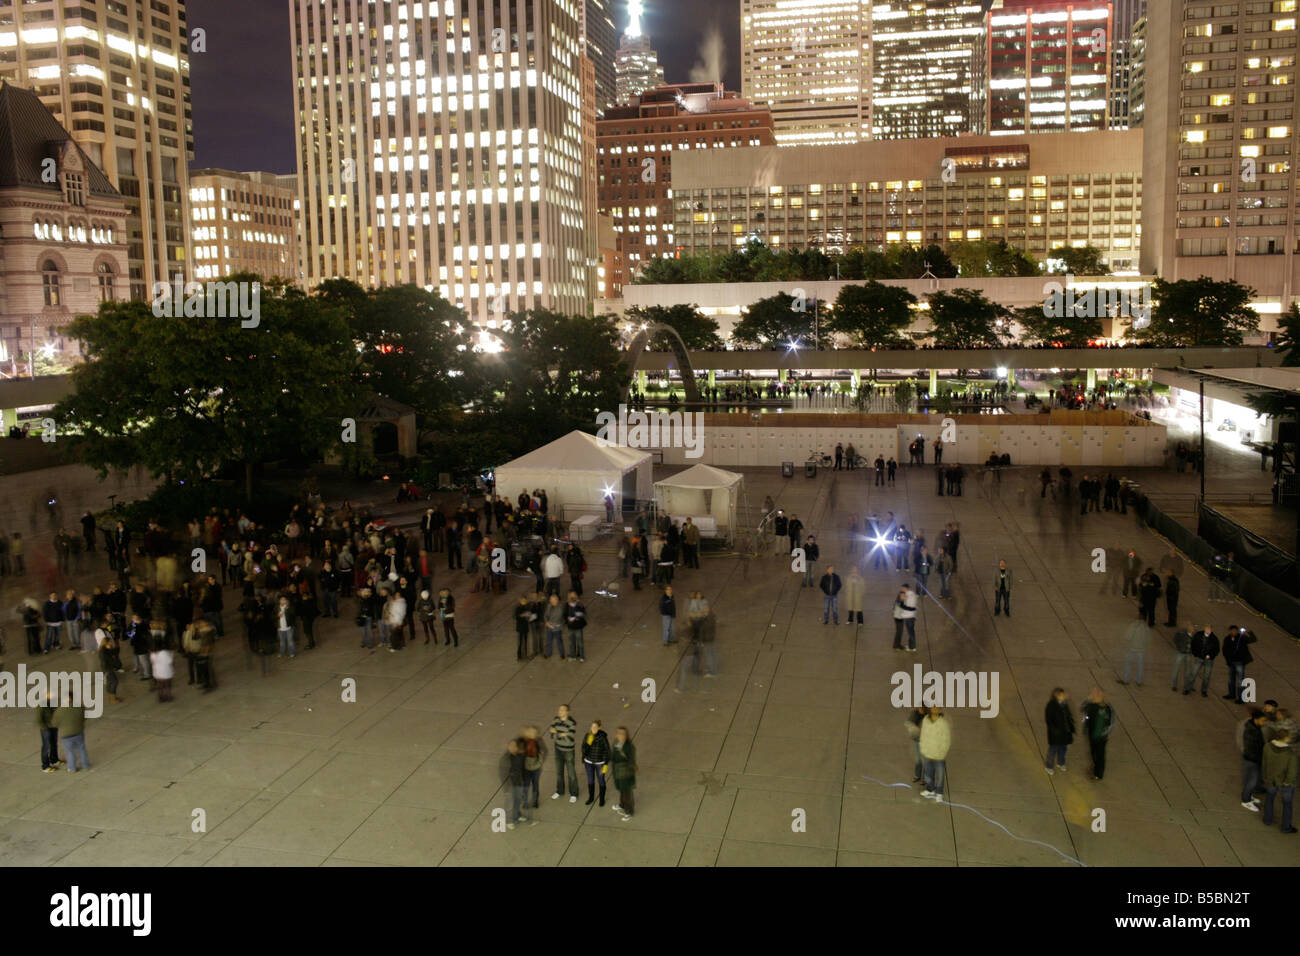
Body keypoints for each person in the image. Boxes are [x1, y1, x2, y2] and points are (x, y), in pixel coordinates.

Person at [1260, 729, 1297, 833]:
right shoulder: (1290, 754)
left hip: (1271, 779)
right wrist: (1288, 781)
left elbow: (1264, 763)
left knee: (1269, 799)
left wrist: (1265, 776)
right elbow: (1292, 771)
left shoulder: (1267, 747)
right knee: (1287, 804)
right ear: (1285, 738)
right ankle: (1286, 827)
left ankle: (1267, 819)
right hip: (1285, 783)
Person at [1081, 688, 1115, 780]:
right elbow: (1083, 709)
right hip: (1092, 735)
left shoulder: (1108, 709)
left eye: (1098, 695)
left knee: (1100, 755)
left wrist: (1104, 734)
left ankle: (1098, 774)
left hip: (1101, 738)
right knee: (1093, 753)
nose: (1095, 697)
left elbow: (1111, 723)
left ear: (1103, 697)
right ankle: (1095, 766)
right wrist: (1088, 699)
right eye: (1094, 695)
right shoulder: (1092, 706)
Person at [548, 703, 579, 802]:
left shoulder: (572, 722)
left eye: (562, 710)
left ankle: (574, 793)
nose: (559, 712)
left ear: (567, 712)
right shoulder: (556, 719)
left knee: (571, 773)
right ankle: (559, 791)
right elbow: (552, 733)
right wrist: (562, 734)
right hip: (558, 749)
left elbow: (570, 737)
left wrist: (558, 733)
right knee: (559, 772)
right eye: (559, 710)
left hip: (568, 750)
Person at [919, 707, 950, 802]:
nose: (935, 709)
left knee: (940, 776)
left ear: (940, 710)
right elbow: (923, 735)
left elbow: (946, 740)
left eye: (937, 708)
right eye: (933, 707)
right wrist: (924, 750)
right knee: (928, 774)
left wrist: (942, 753)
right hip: (928, 754)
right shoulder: (925, 720)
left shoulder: (943, 723)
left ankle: (939, 793)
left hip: (939, 756)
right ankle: (930, 789)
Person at [1240, 709, 1268, 812]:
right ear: (1256, 719)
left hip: (1253, 758)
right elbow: (1253, 747)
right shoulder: (1252, 731)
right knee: (1251, 781)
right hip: (1252, 760)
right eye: (1263, 720)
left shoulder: (1254, 727)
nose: (1264, 723)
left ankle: (1249, 796)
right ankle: (1246, 800)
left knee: (1252, 780)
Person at [51, 698, 88, 773]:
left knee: (70, 752)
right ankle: (85, 765)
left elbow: (54, 723)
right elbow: (84, 717)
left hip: (66, 735)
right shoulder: (79, 706)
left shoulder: (60, 710)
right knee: (82, 749)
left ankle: (72, 768)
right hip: (78, 732)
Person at [1222, 625, 1257, 703]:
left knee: (1240, 681)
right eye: (1232, 631)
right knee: (1231, 680)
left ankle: (1241, 698)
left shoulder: (1242, 638)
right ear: (1230, 631)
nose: (1234, 632)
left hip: (1240, 662)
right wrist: (1228, 661)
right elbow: (1225, 651)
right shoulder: (1227, 639)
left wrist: (1250, 633)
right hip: (1231, 662)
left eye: (1235, 631)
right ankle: (1232, 694)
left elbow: (1253, 640)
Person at [1118, 607, 1151, 686]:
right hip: (1141, 650)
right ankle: (1139, 681)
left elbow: (1127, 636)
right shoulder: (1146, 627)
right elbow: (1148, 639)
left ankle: (1126, 680)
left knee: (1128, 664)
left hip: (1131, 648)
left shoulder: (1133, 626)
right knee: (1140, 666)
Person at [1044, 687, 1074, 774]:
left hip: (1064, 733)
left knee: (1063, 749)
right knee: (1053, 751)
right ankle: (1048, 766)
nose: (1064, 695)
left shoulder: (1064, 704)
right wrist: (1055, 730)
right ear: (1057, 696)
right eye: (1062, 694)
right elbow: (1049, 720)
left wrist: (1071, 728)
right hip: (1056, 735)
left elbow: (1068, 717)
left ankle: (1061, 763)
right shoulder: (1051, 706)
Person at [581, 719, 611, 806]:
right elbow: (583, 749)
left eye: (595, 727)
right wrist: (588, 743)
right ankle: (591, 798)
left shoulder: (603, 738)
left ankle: (602, 799)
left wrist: (605, 766)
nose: (593, 728)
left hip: (600, 763)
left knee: (601, 781)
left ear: (599, 728)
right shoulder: (587, 736)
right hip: (589, 762)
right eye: (592, 726)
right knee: (590, 780)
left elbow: (607, 751)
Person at [611, 727, 637, 821]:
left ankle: (629, 811)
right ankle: (622, 805)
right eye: (618, 733)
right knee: (621, 791)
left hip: (626, 774)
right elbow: (612, 757)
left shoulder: (629, 747)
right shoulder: (616, 744)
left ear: (626, 736)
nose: (620, 736)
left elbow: (631, 762)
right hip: (618, 773)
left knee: (627, 794)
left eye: (622, 734)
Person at [1185, 624, 1219, 696]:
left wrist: (1210, 655)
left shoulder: (1214, 638)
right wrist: (1195, 654)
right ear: (1205, 629)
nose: (1208, 631)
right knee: (1193, 674)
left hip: (1209, 660)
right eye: (1207, 629)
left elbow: (1216, 649)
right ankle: (1188, 688)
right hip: (1199, 658)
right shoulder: (1198, 635)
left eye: (1209, 629)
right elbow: (1193, 644)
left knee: (1206, 676)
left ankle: (1204, 690)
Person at [505, 738, 529, 829]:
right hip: (512, 784)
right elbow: (504, 775)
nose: (514, 748)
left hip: (519, 782)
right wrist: (506, 788)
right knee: (511, 803)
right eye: (512, 746)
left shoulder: (520, 756)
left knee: (518, 801)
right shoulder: (507, 759)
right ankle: (510, 821)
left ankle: (517, 815)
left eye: (515, 746)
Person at [522, 725, 546, 809]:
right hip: (528, 768)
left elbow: (544, 751)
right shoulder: (525, 741)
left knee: (533, 785)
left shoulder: (538, 741)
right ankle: (526, 802)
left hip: (534, 768)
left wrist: (540, 762)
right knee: (527, 785)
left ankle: (534, 802)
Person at [37, 692, 61, 773]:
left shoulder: (53, 702)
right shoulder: (41, 705)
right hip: (46, 729)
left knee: (54, 743)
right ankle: (45, 766)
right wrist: (45, 728)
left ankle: (54, 760)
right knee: (46, 746)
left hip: (53, 727)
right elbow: (38, 720)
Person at [893, 583, 918, 651]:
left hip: (904, 617)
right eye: (903, 595)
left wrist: (912, 609)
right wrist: (913, 609)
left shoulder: (904, 598)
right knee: (900, 632)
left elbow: (905, 607)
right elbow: (905, 607)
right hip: (899, 618)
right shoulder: (901, 601)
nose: (904, 596)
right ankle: (897, 646)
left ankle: (910, 646)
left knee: (907, 632)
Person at [565, 591, 588, 662]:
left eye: (573, 595)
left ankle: (581, 656)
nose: (572, 597)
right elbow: (565, 614)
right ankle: (573, 655)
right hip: (570, 626)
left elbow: (583, 614)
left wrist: (576, 617)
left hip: (578, 626)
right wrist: (567, 619)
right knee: (571, 642)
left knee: (580, 642)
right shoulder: (566, 605)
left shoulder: (579, 604)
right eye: (570, 596)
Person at [1171, 622, 1194, 692]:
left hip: (1188, 654)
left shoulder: (1194, 636)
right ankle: (1174, 685)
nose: (1192, 629)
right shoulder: (1181, 633)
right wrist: (1179, 647)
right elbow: (1175, 639)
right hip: (1180, 653)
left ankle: (1186, 686)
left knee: (1187, 671)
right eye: (1191, 628)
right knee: (1176, 670)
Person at [905, 707, 926, 783]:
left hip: (925, 741)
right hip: (917, 739)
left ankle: (924, 778)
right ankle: (917, 775)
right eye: (920, 708)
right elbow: (908, 723)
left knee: (924, 759)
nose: (921, 710)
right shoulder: (915, 713)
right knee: (918, 759)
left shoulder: (928, 716)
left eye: (922, 709)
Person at [513, 596, 532, 660]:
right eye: (523, 600)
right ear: (520, 601)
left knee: (526, 642)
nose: (524, 602)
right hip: (520, 627)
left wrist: (529, 616)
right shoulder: (518, 608)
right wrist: (522, 615)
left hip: (525, 627)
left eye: (525, 601)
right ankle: (519, 655)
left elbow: (529, 615)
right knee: (520, 642)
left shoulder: (527, 607)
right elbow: (515, 616)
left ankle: (525, 654)